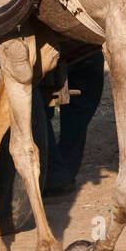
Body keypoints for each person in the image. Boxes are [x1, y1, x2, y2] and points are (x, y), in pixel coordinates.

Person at [42, 50, 105, 196]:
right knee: (83, 94)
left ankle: (55, 171)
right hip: (83, 43)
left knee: (38, 101)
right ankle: (60, 169)